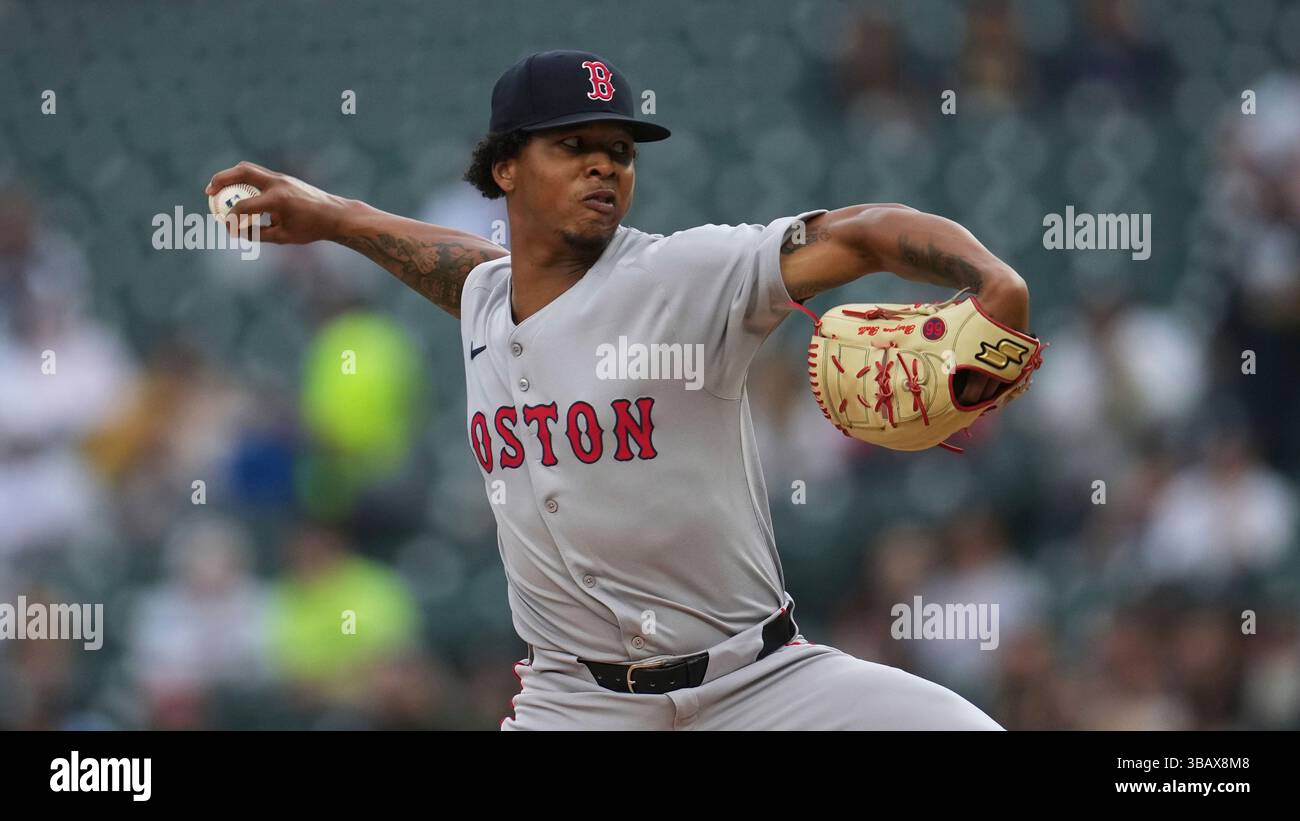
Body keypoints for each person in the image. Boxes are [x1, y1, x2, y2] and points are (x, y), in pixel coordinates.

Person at [206, 49, 1030, 730]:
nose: (605, 162)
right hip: (575, 704)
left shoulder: (686, 276)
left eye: (622, 149)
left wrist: (989, 277)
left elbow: (862, 231)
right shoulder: (489, 300)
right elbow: (455, 262)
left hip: (763, 685)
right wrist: (335, 215)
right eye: (573, 144)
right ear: (505, 168)